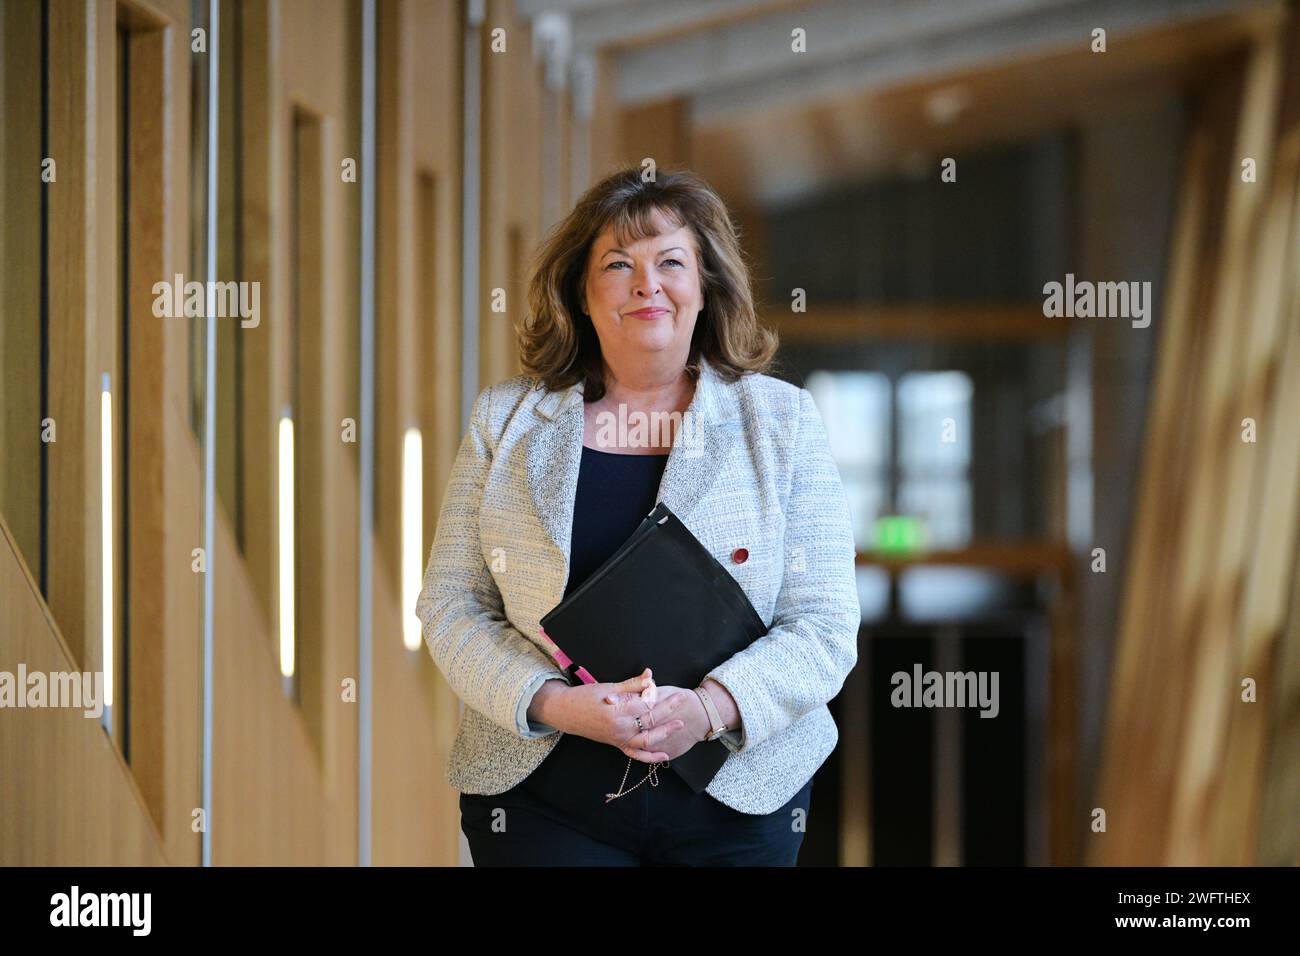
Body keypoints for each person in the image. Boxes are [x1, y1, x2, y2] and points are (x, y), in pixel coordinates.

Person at [416, 165, 860, 866]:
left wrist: (709, 708)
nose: (647, 284)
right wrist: (555, 703)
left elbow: (826, 625)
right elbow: (452, 605)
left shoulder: (783, 423)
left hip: (738, 792)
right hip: (544, 797)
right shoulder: (505, 420)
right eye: (618, 264)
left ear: (706, 286)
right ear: (582, 294)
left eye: (671, 262)